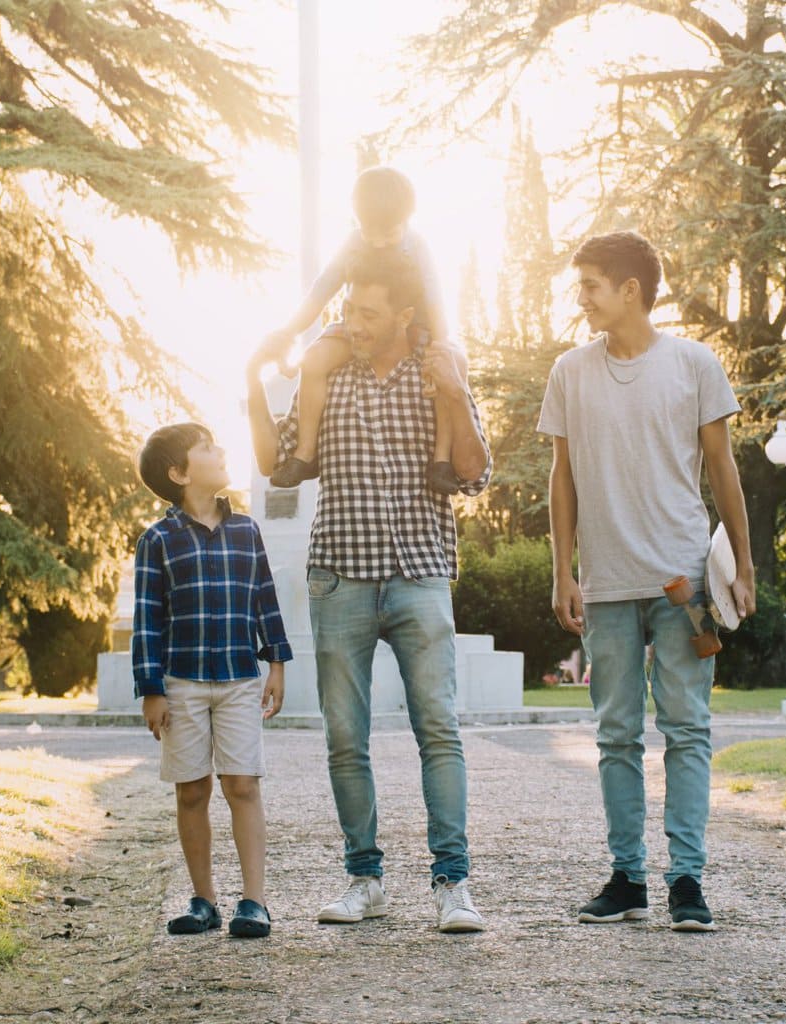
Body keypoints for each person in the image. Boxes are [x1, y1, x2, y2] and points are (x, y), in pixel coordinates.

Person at [246, 246, 493, 934]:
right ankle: (365, 878)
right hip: (339, 577)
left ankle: (453, 884)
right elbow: (281, 460)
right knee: (345, 738)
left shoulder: (437, 370)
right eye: (348, 308)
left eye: (366, 311)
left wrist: (453, 392)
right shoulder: (328, 375)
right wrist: (253, 381)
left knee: (438, 731)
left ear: (403, 314)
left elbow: (475, 473)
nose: (352, 321)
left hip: (419, 573)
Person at [538, 230, 757, 932]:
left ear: (630, 289)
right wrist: (562, 570)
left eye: (592, 286)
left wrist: (744, 565)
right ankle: (627, 877)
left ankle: (687, 880)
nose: (583, 300)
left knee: (688, 730)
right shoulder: (571, 371)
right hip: (604, 587)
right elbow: (561, 478)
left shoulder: (694, 364)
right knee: (616, 734)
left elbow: (723, 470)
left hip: (684, 586)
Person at [131, 423, 293, 938]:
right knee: (192, 792)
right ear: (179, 473)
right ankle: (204, 900)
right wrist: (151, 689)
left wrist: (278, 664)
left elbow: (265, 599)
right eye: (207, 448)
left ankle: (254, 902)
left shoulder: (246, 530)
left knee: (242, 785)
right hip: (182, 683)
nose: (220, 450)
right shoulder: (157, 541)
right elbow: (147, 619)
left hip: (241, 679)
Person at [260, 165, 465, 494]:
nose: (379, 241)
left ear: (407, 219)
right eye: (371, 232)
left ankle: (441, 461)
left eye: (389, 233)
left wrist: (440, 351)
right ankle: (305, 452)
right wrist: (288, 332)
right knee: (312, 361)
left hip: (418, 324)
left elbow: (436, 301)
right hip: (364, 321)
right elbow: (321, 291)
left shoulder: (417, 245)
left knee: (447, 369)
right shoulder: (353, 243)